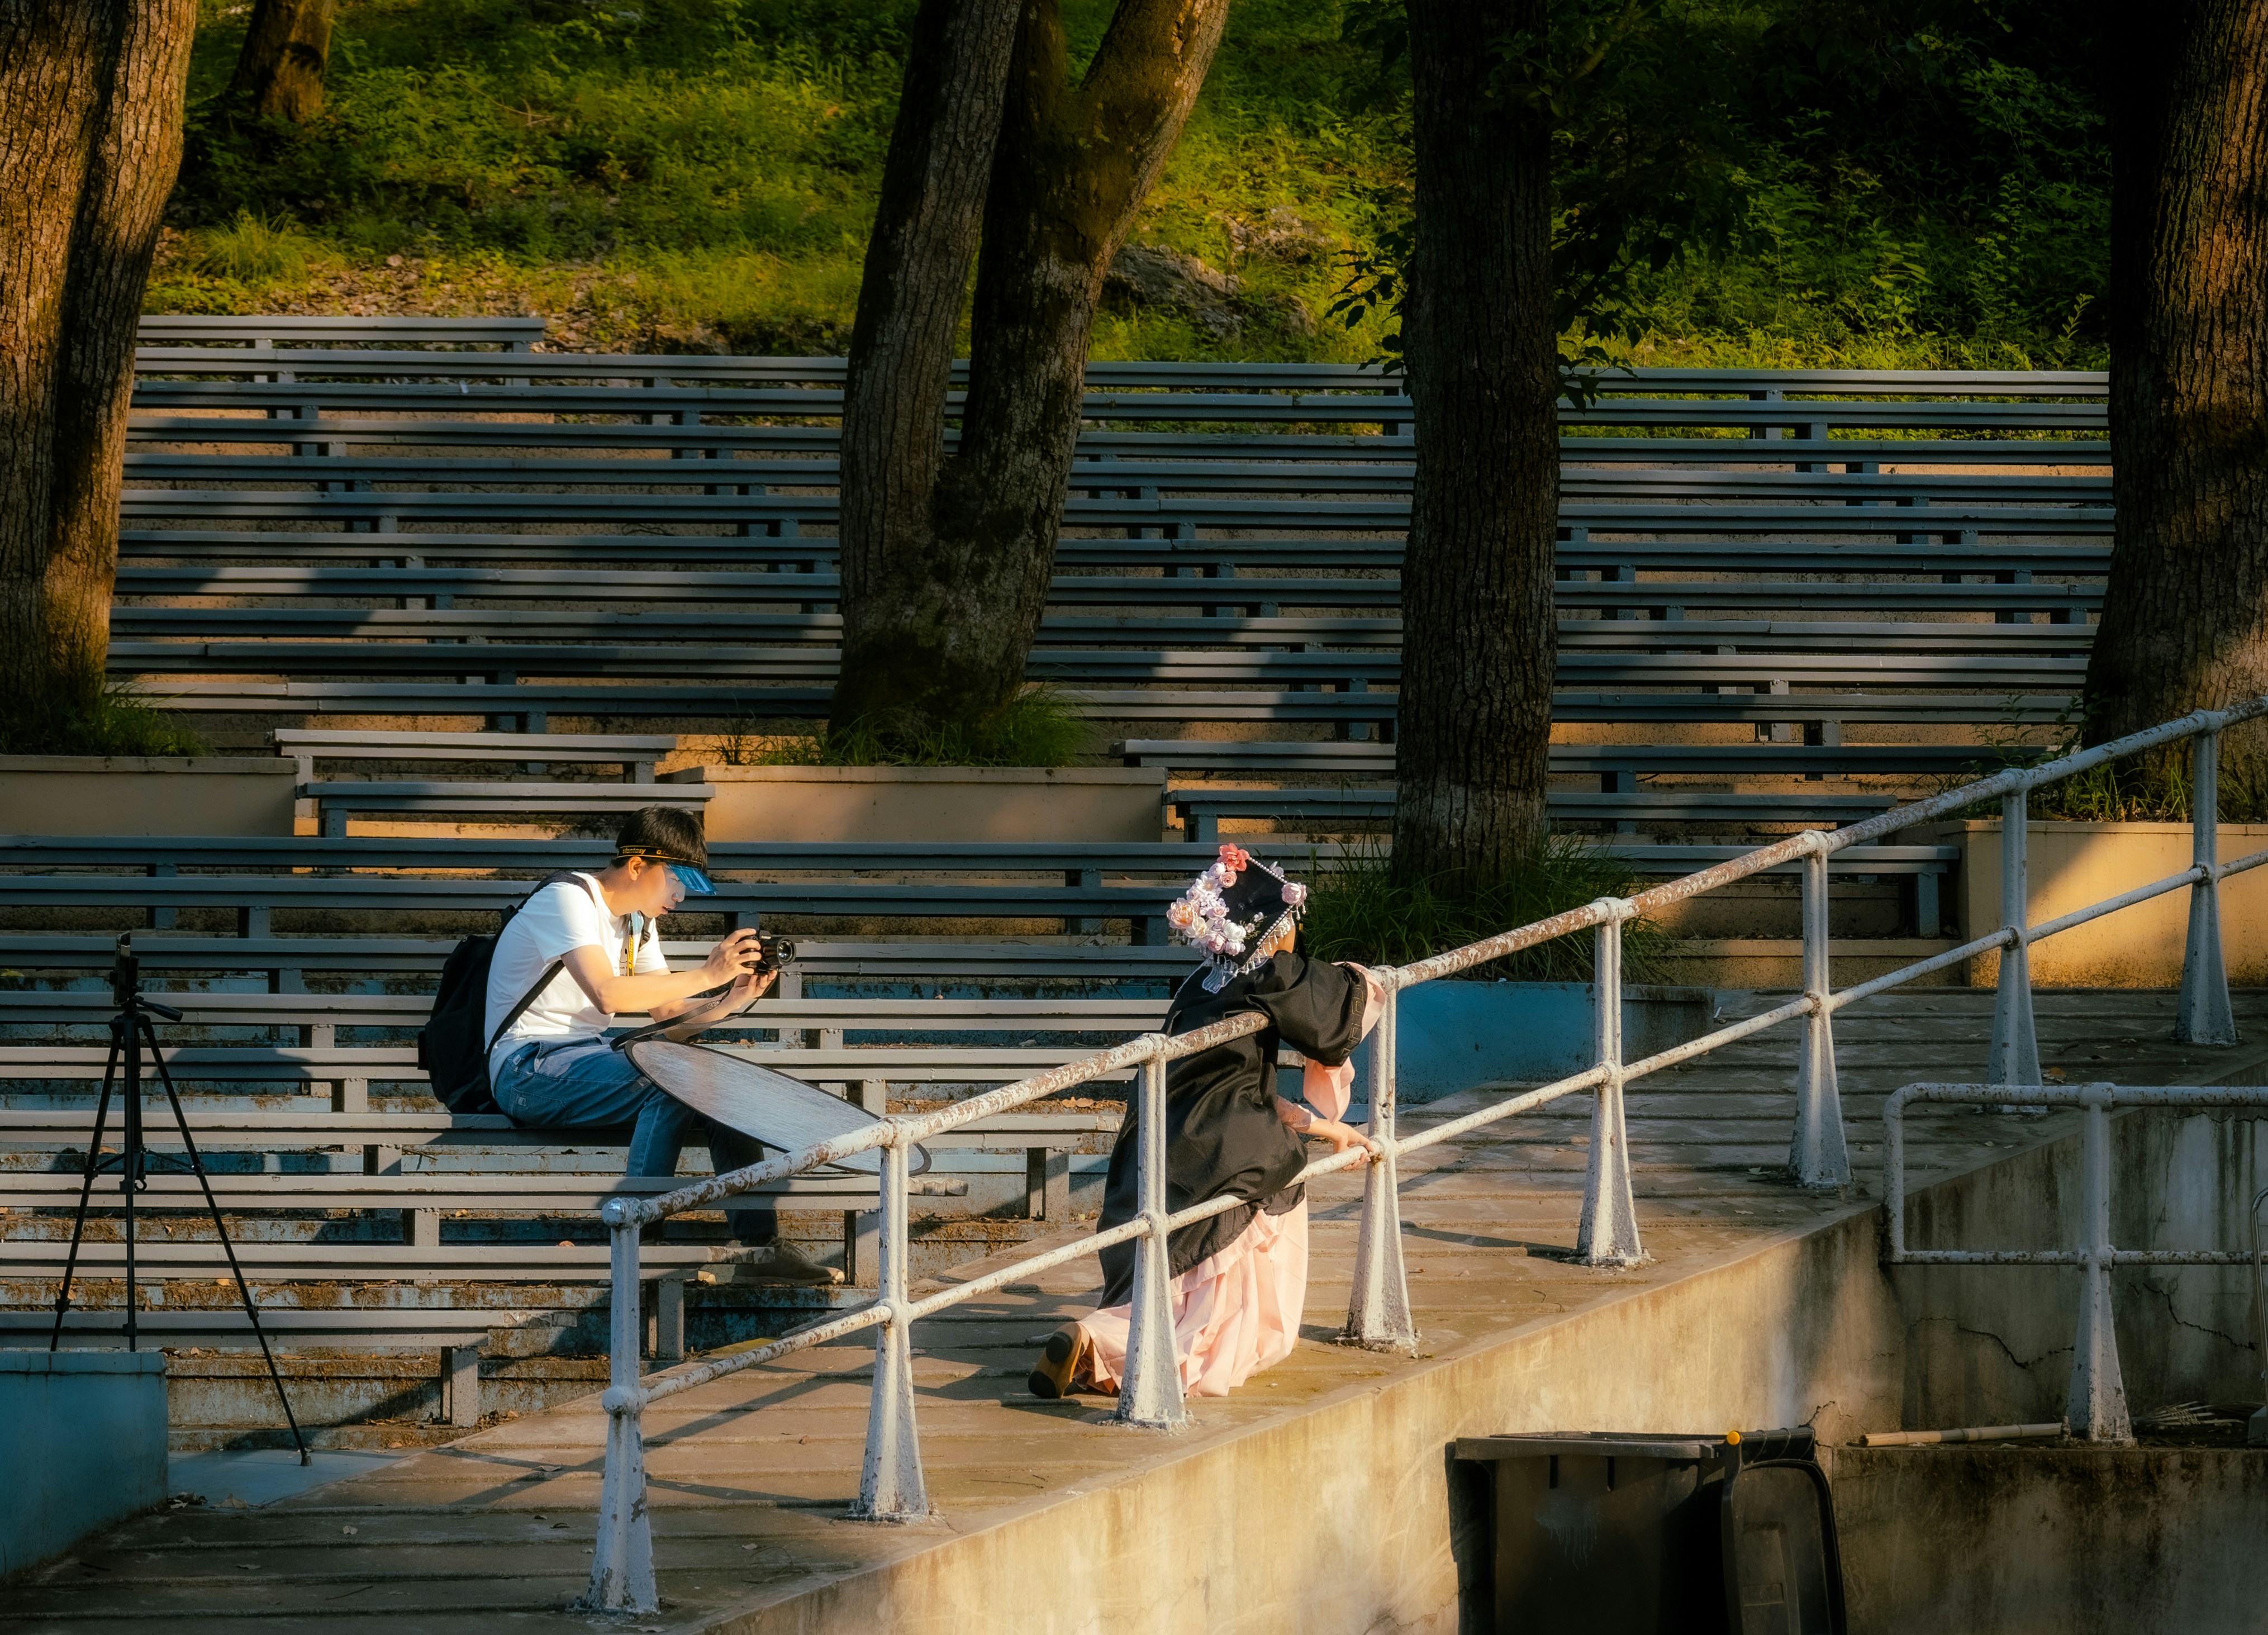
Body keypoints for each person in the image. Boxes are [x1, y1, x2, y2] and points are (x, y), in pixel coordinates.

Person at [1028, 844, 1382, 1399]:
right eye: (1290, 927)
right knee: (1214, 1313)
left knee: (1180, 1273)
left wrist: (1327, 1129)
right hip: (1222, 1148)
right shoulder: (1268, 974)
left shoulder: (1199, 984)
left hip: (1159, 1143)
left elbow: (1235, 1087)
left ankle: (1093, 1350)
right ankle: (1100, 1340)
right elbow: (1336, 1013)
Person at [484, 805, 838, 1285]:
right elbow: (608, 992)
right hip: (527, 1068)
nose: (681, 895)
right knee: (672, 1081)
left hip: (591, 1056)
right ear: (636, 866)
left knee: (717, 1081)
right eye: (676, 879)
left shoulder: (637, 921)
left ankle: (759, 1248)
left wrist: (728, 1000)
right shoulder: (566, 899)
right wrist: (708, 973)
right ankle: (637, 1242)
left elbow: (669, 1017)